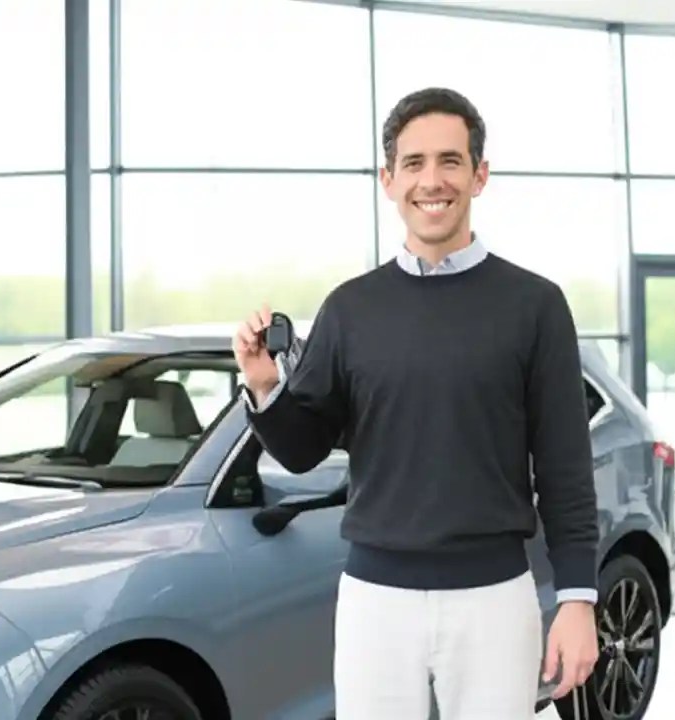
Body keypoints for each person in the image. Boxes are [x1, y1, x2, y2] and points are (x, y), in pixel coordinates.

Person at [232, 87, 600, 719]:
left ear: (480, 175)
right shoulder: (350, 309)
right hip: (375, 602)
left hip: (495, 601)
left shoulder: (535, 306)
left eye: (451, 161)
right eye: (415, 163)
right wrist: (265, 386)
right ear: (389, 179)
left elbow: (565, 468)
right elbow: (301, 449)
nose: (433, 180)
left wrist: (578, 600)